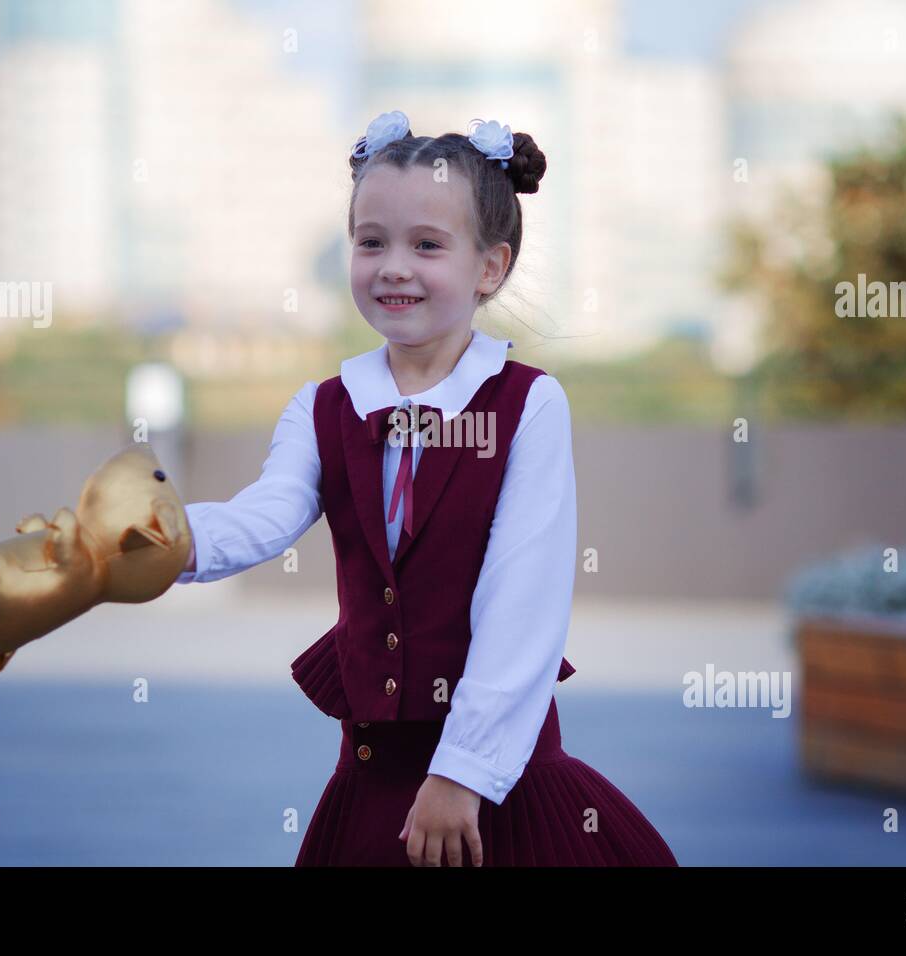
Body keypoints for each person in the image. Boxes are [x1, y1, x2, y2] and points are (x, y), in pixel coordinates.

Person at [176, 111, 678, 867]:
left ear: (490, 268)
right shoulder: (324, 406)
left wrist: (462, 772)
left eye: (427, 245)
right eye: (370, 241)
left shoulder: (528, 404)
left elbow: (523, 605)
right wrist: (145, 539)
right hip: (373, 792)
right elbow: (264, 516)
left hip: (497, 790)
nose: (393, 266)